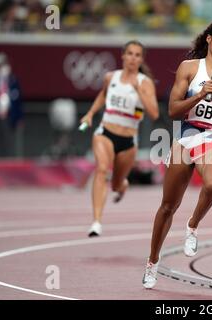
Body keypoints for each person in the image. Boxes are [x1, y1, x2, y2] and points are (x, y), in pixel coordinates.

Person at [142, 21, 212, 289]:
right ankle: (152, 262)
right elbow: (173, 110)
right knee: (168, 207)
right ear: (210, 39)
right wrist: (200, 95)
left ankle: (192, 225)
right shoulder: (190, 68)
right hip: (187, 137)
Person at [80, 40, 159, 236]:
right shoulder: (111, 77)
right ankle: (96, 222)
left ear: (141, 59)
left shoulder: (145, 83)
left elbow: (154, 113)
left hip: (128, 141)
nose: (133, 58)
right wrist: (90, 114)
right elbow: (103, 95)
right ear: (123, 55)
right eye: (130, 53)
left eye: (137, 55)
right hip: (105, 133)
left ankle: (122, 185)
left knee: (116, 183)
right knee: (101, 170)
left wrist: (139, 91)